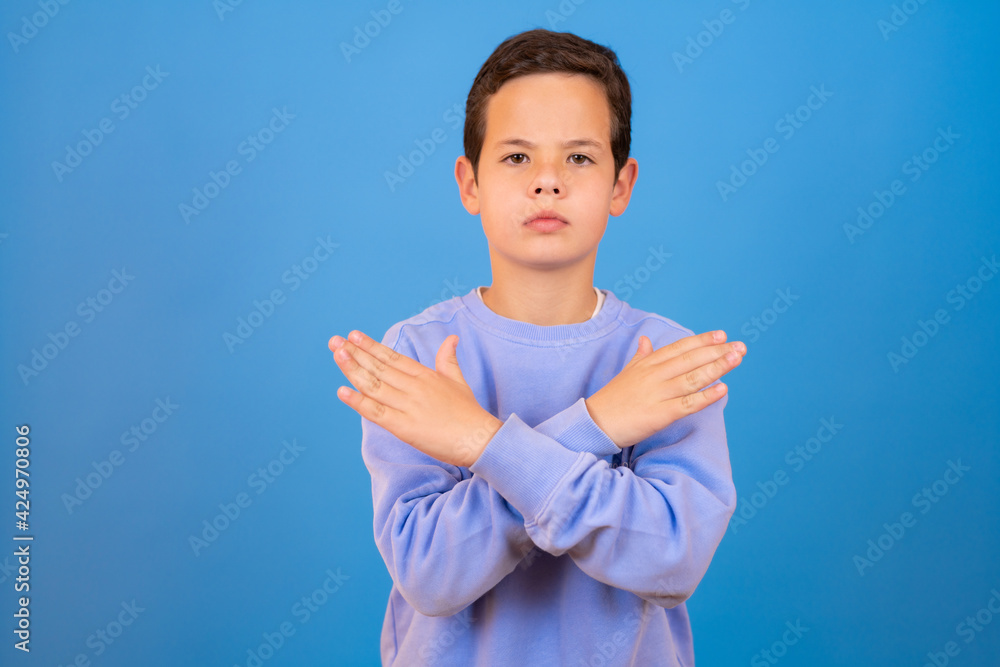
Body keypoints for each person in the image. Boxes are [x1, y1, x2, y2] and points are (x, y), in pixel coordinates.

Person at [328, 28, 747, 667]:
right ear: (469, 183)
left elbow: (671, 560)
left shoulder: (666, 362)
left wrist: (482, 443)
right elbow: (430, 575)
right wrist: (599, 424)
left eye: (578, 157)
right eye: (517, 157)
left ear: (621, 184)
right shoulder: (418, 353)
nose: (547, 181)